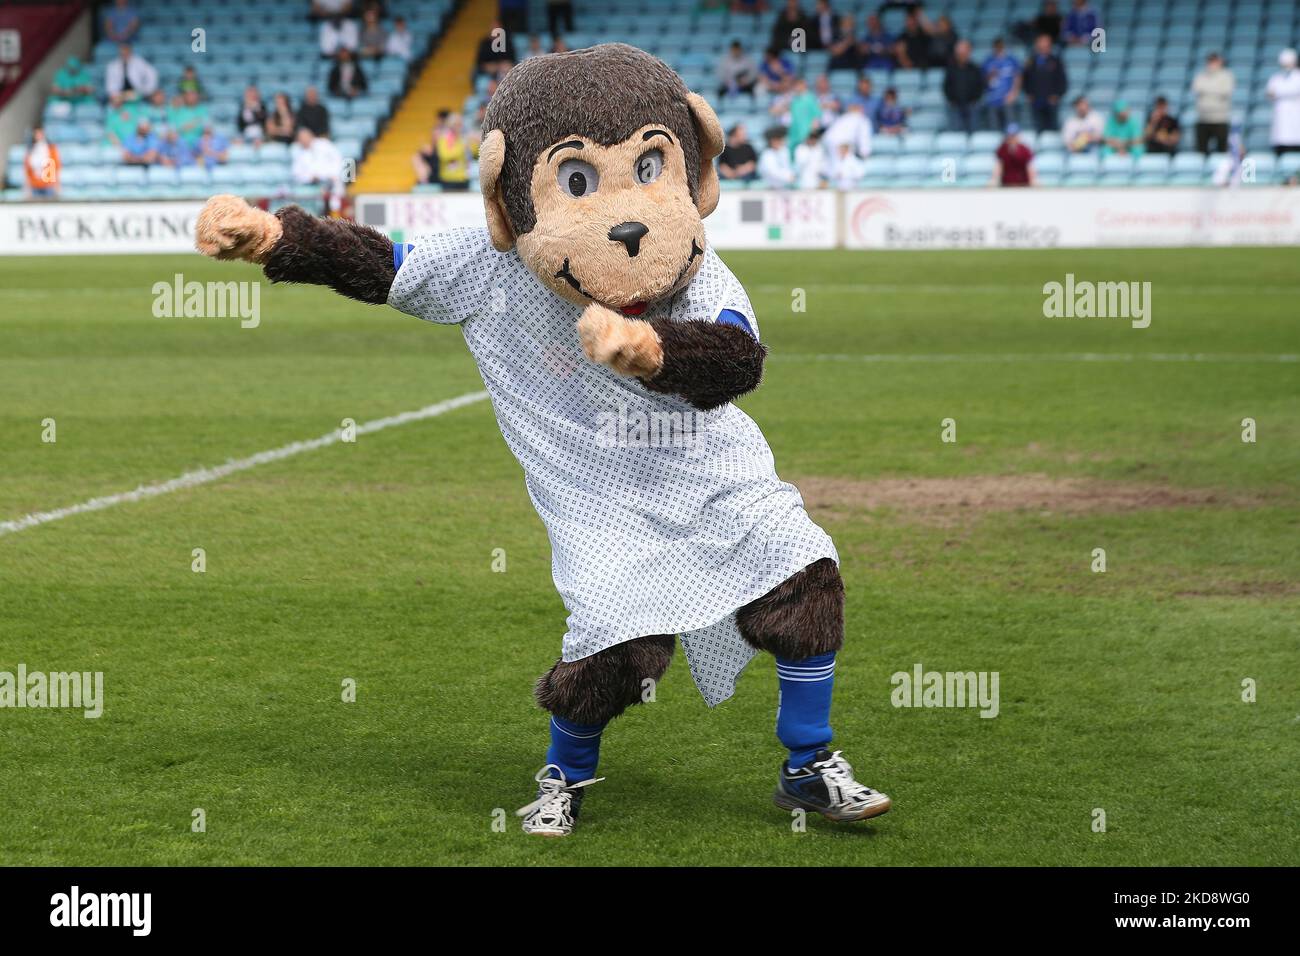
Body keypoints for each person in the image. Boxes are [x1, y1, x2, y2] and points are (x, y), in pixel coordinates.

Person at [291, 126, 345, 210]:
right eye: (301, 138)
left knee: (336, 187)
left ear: (311, 135)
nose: (304, 140)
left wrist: (332, 174)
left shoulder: (324, 144)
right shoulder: (298, 152)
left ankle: (336, 211)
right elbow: (296, 174)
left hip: (331, 179)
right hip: (312, 184)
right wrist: (310, 177)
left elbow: (337, 159)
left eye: (305, 136)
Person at [1022, 33, 1067, 132]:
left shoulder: (1056, 61)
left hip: (1051, 100)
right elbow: (1025, 79)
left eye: (1045, 42)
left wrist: (1057, 95)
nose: (1043, 45)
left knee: (1053, 126)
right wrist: (1028, 94)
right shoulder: (1031, 61)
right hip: (1036, 99)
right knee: (1038, 126)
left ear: (1049, 44)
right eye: (1040, 42)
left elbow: (1062, 80)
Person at [1191, 53, 1234, 155]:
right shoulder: (1200, 76)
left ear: (1220, 62)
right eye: (1210, 61)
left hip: (1220, 119)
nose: (1212, 64)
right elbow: (1195, 89)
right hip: (1203, 118)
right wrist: (1216, 91)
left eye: (1214, 61)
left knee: (1222, 151)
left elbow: (1226, 91)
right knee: (1200, 152)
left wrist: (1206, 91)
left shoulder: (1227, 76)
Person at [944, 39, 983, 133]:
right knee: (956, 133)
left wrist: (975, 99)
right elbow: (946, 86)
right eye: (959, 53)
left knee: (974, 132)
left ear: (968, 52)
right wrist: (951, 100)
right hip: (955, 105)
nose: (961, 55)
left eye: (963, 53)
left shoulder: (975, 68)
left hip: (972, 105)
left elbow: (980, 85)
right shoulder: (951, 69)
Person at [1266, 48, 1300, 157]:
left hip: (1295, 124)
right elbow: (1269, 93)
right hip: (1280, 124)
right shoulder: (1276, 77)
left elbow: (1293, 90)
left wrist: (1279, 92)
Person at [982, 38, 1021, 131]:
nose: (999, 49)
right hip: (993, 99)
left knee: (1011, 127)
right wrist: (990, 75)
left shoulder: (1011, 60)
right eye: (997, 47)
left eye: (1001, 47)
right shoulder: (988, 61)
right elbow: (983, 80)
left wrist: (1014, 93)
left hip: (1008, 99)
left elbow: (1018, 76)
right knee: (994, 128)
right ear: (994, 48)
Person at [433, 112, 474, 190]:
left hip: (464, 178)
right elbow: (444, 155)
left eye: (460, 124)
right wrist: (462, 148)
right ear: (450, 125)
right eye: (457, 124)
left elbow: (473, 152)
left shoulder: (463, 137)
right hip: (449, 179)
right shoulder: (444, 138)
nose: (459, 127)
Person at [23, 126, 61, 198]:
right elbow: (27, 169)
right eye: (37, 134)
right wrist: (27, 186)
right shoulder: (31, 150)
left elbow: (56, 166)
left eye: (40, 133)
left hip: (48, 185)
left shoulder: (51, 148)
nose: (39, 136)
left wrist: (57, 184)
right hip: (34, 185)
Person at [413, 112, 447, 184]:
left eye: (439, 134)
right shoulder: (429, 150)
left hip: (444, 178)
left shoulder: (449, 148)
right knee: (417, 158)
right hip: (432, 178)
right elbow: (416, 159)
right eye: (435, 134)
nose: (436, 136)